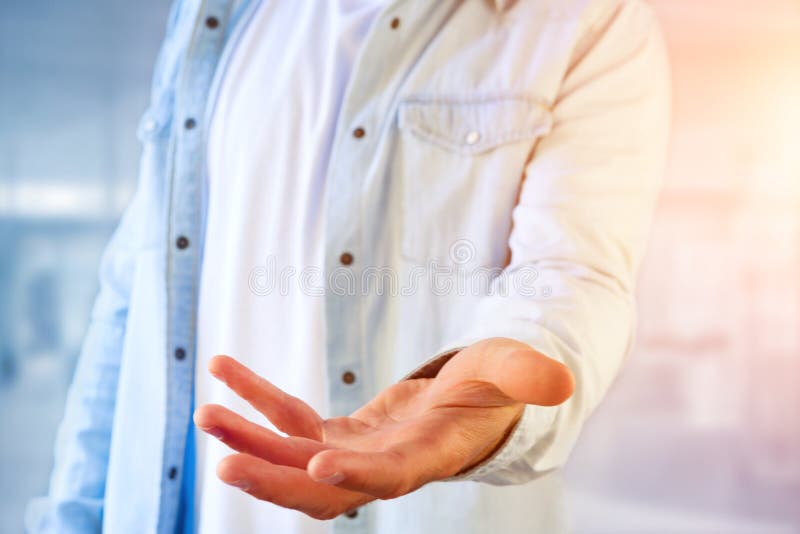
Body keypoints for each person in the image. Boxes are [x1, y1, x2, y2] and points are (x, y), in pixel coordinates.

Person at [26, 0, 670, 532]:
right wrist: (72, 516)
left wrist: (492, 407)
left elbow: (573, 277)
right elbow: (133, 298)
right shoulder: (210, 16)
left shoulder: (587, 21)